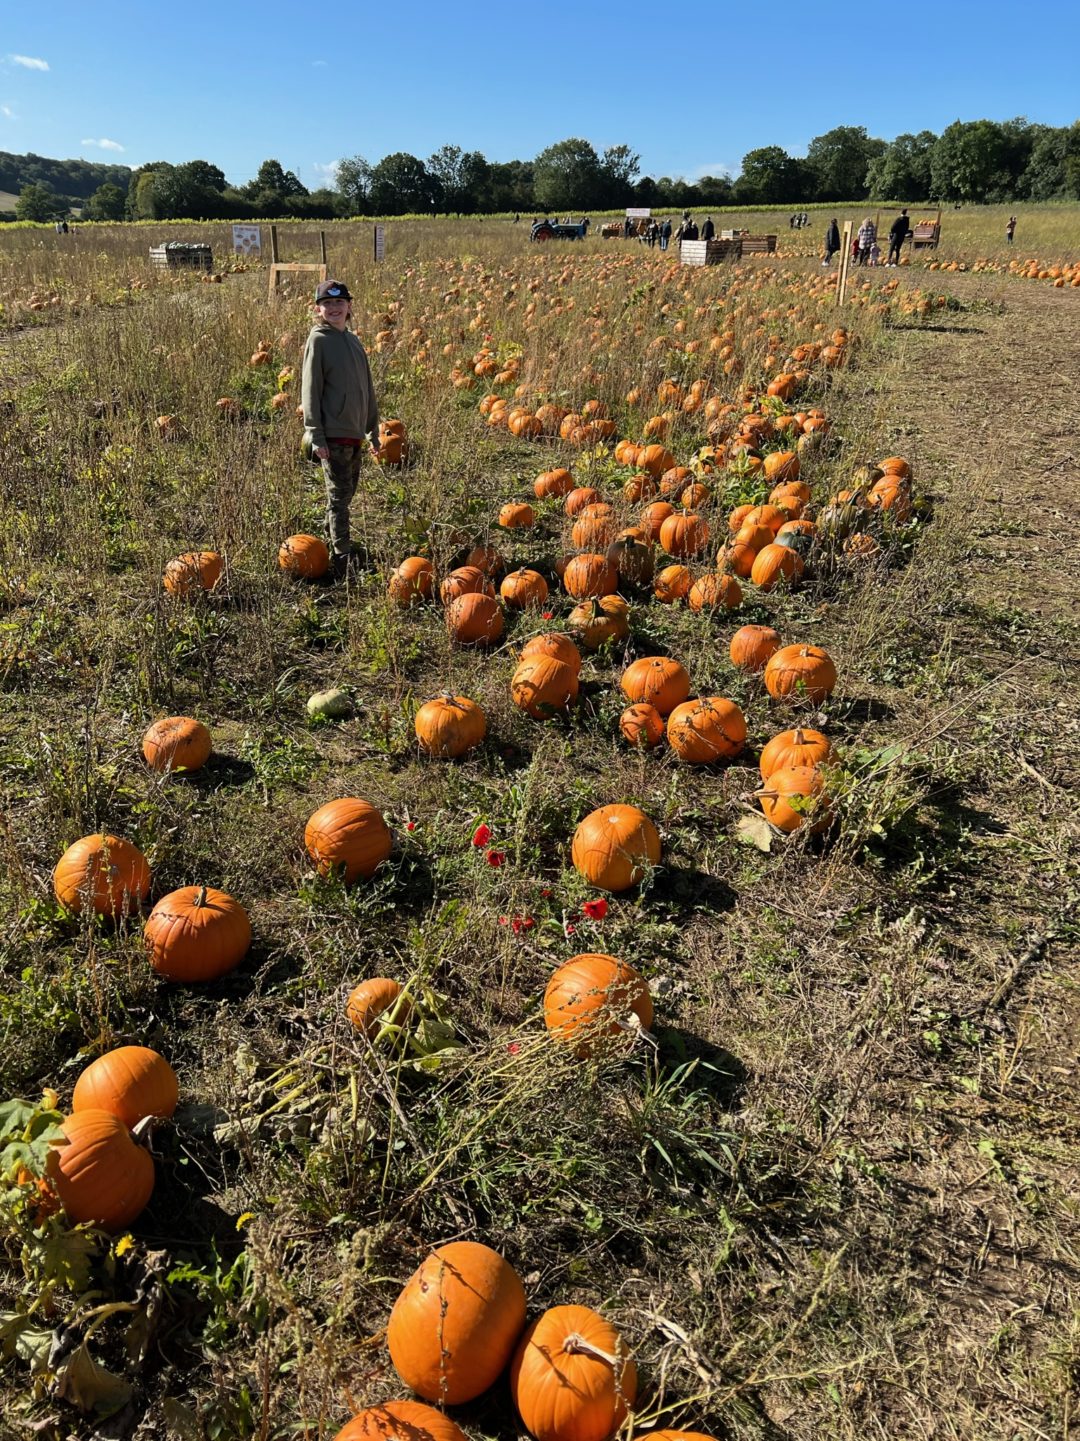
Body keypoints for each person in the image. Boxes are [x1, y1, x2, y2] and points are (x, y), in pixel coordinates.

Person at [302, 279, 380, 580]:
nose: (334, 308)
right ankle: (342, 558)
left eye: (340, 303)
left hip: (355, 433)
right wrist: (316, 434)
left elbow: (367, 390)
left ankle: (329, 540)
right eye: (328, 303)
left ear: (349, 307)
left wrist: (373, 430)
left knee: (345, 495)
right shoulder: (318, 340)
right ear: (318, 309)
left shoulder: (353, 341)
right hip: (332, 434)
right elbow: (310, 389)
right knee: (338, 498)